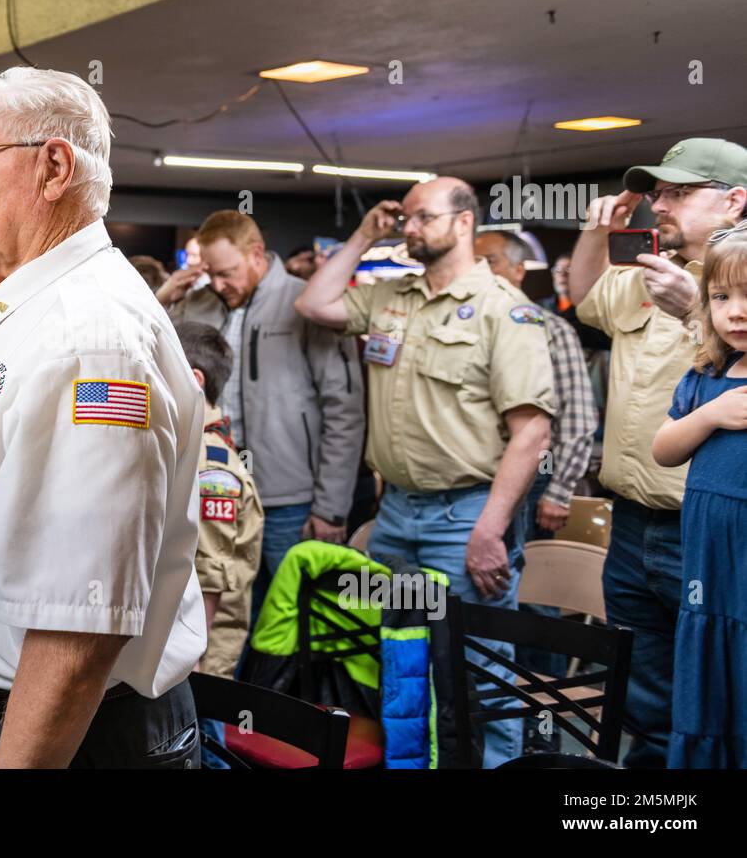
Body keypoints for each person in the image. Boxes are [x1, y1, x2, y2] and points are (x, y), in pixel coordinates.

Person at [0, 66, 205, 769]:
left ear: (54, 168)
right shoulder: (17, 295)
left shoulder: (89, 342)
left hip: (57, 736)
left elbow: (80, 632)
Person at [295, 177, 556, 767]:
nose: (409, 228)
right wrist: (365, 235)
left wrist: (490, 529)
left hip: (466, 516)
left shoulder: (503, 309)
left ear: (463, 222)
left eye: (422, 218)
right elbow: (313, 304)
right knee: (404, 662)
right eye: (404, 218)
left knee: (482, 670)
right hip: (396, 513)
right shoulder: (393, 297)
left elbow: (532, 433)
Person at [568, 137, 747, 767]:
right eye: (658, 193)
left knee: (715, 698)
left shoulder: (738, 285)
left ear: (735, 201)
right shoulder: (648, 270)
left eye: (679, 193)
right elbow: (585, 299)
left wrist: (696, 311)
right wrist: (597, 230)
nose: (660, 205)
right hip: (630, 524)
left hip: (707, 531)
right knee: (644, 705)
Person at [169, 209, 363, 620]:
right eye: (211, 274)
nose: (218, 285)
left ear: (256, 253)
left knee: (291, 620)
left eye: (227, 273)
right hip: (212, 489)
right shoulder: (198, 304)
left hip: (288, 500)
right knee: (219, 620)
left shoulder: (305, 303)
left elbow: (343, 410)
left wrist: (331, 506)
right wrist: (168, 295)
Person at [652, 220, 747, 768]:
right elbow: (664, 450)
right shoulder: (707, 376)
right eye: (721, 297)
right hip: (708, 574)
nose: (736, 312)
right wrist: (711, 415)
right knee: (712, 690)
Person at [475, 230, 598, 535]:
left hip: (532, 475)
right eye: (473, 262)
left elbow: (576, 416)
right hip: (465, 478)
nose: (479, 270)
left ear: (518, 270)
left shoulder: (550, 328)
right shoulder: (457, 325)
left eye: (490, 261)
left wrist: (560, 490)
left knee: (518, 560)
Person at [175, 321, 263, 677]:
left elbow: (210, 572)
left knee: (207, 715)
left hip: (201, 658)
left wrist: (192, 658)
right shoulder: (199, 443)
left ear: (195, 380)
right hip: (186, 645)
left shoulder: (211, 462)